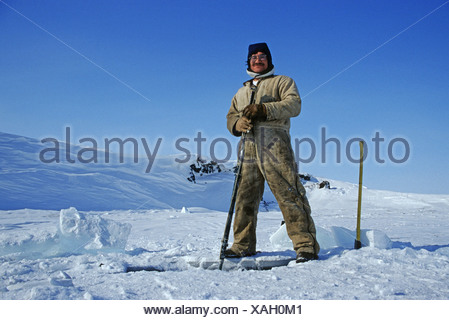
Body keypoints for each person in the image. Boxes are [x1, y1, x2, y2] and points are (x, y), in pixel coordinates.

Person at [225, 42, 320, 263]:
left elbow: (293, 105)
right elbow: (231, 117)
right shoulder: (241, 91)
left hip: (274, 144)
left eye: (262, 56)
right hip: (247, 147)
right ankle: (242, 245)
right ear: (248, 62)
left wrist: (265, 109)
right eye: (254, 57)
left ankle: (305, 246)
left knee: (289, 194)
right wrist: (237, 124)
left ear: (269, 60)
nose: (258, 60)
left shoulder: (283, 82)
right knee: (244, 198)